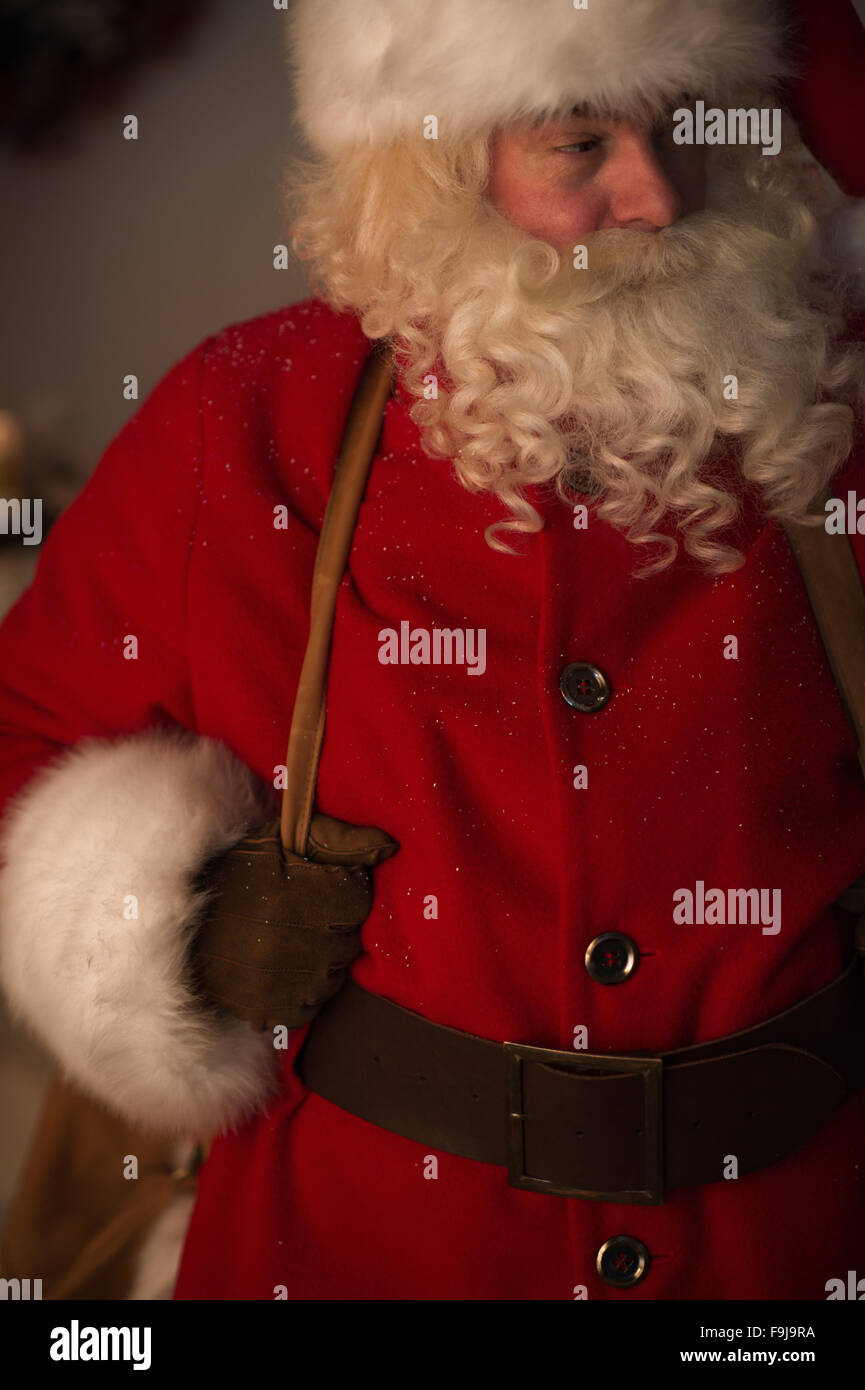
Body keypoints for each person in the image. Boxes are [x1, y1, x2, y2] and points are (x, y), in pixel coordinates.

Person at [1, 0, 865, 1301]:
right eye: (580, 142)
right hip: (359, 1244)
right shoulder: (243, 421)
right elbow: (21, 735)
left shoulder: (833, 398)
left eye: (683, 122)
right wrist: (171, 920)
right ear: (439, 155)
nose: (654, 192)